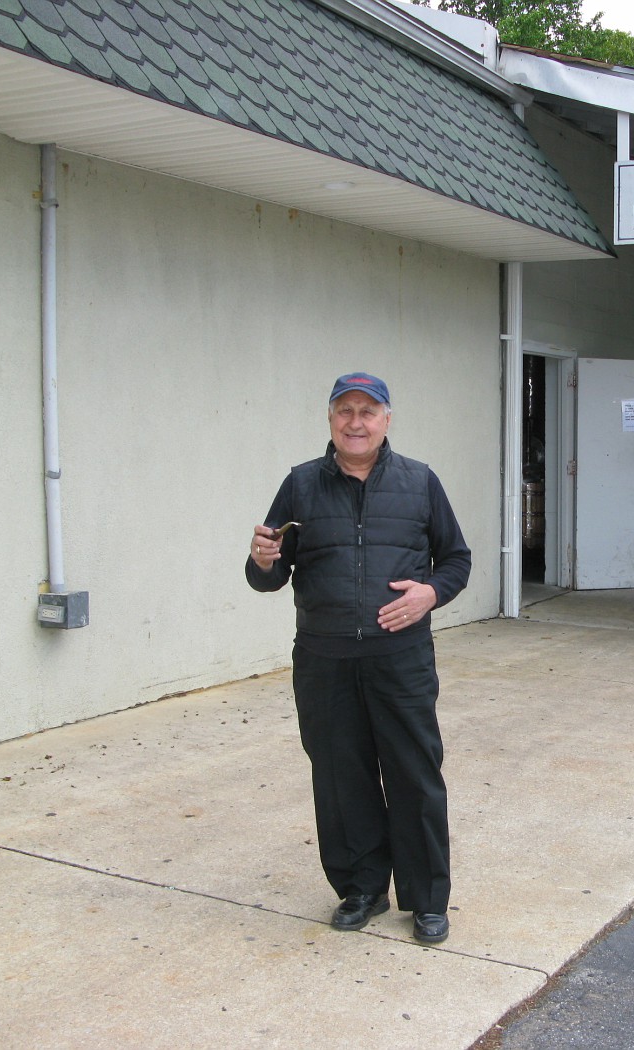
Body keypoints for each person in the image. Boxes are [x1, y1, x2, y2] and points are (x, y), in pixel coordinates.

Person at [247, 372, 471, 945]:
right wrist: (263, 560)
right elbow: (268, 574)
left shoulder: (420, 483)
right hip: (324, 660)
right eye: (345, 411)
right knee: (341, 777)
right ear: (330, 420)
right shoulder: (300, 485)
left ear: (386, 420)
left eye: (367, 412)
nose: (355, 422)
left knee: (415, 774)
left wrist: (429, 594)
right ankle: (362, 888)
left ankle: (426, 900)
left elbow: (456, 561)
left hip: (401, 659)